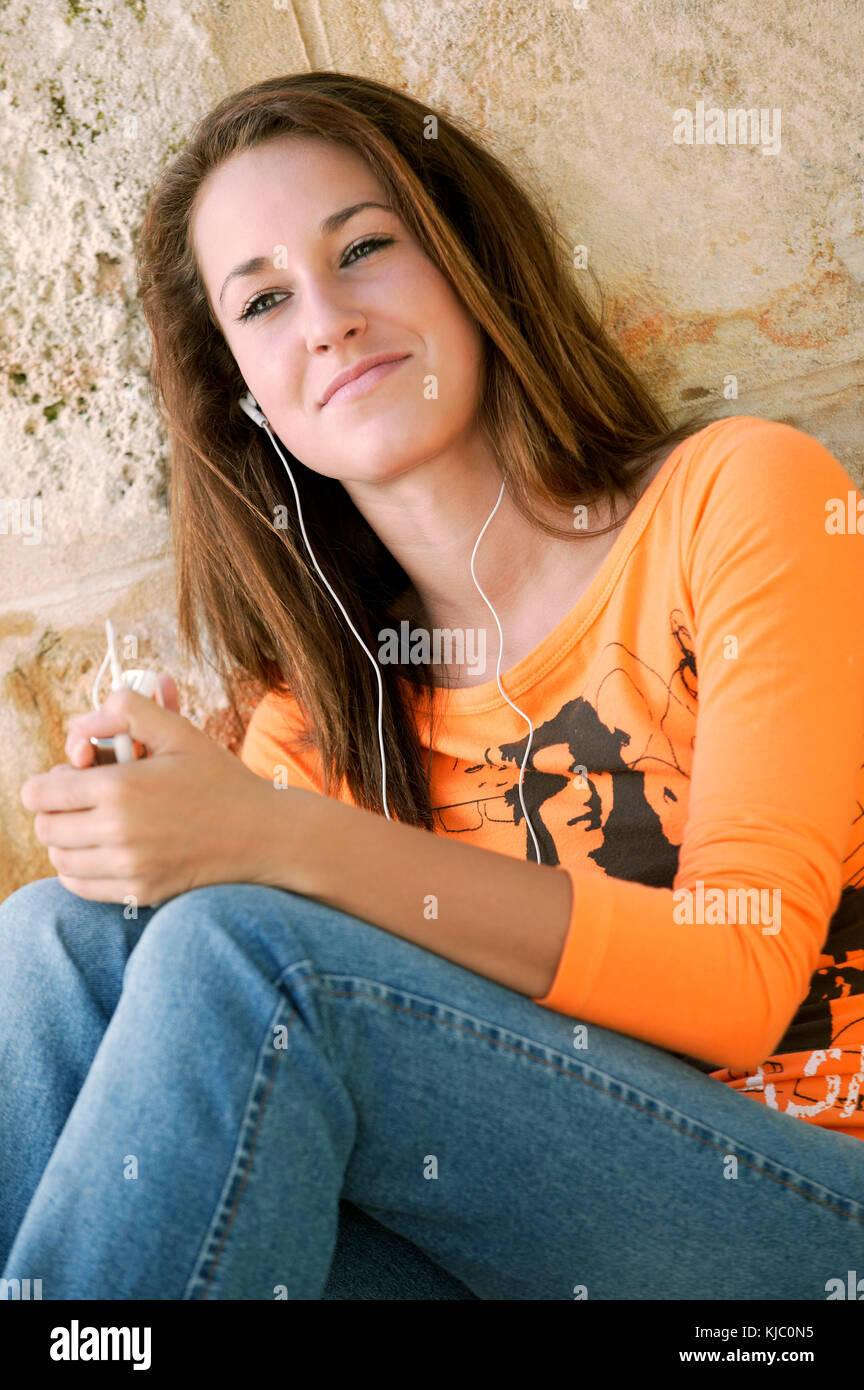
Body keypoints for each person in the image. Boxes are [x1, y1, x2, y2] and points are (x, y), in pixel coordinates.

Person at [3, 70, 864, 1301]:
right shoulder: (322, 724)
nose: (327, 319)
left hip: (812, 1219)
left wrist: (279, 844)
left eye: (364, 248)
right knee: (54, 944)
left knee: (248, 956)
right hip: (520, 1258)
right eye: (261, 302)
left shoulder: (739, 499)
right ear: (245, 394)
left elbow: (742, 980)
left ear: (466, 260)